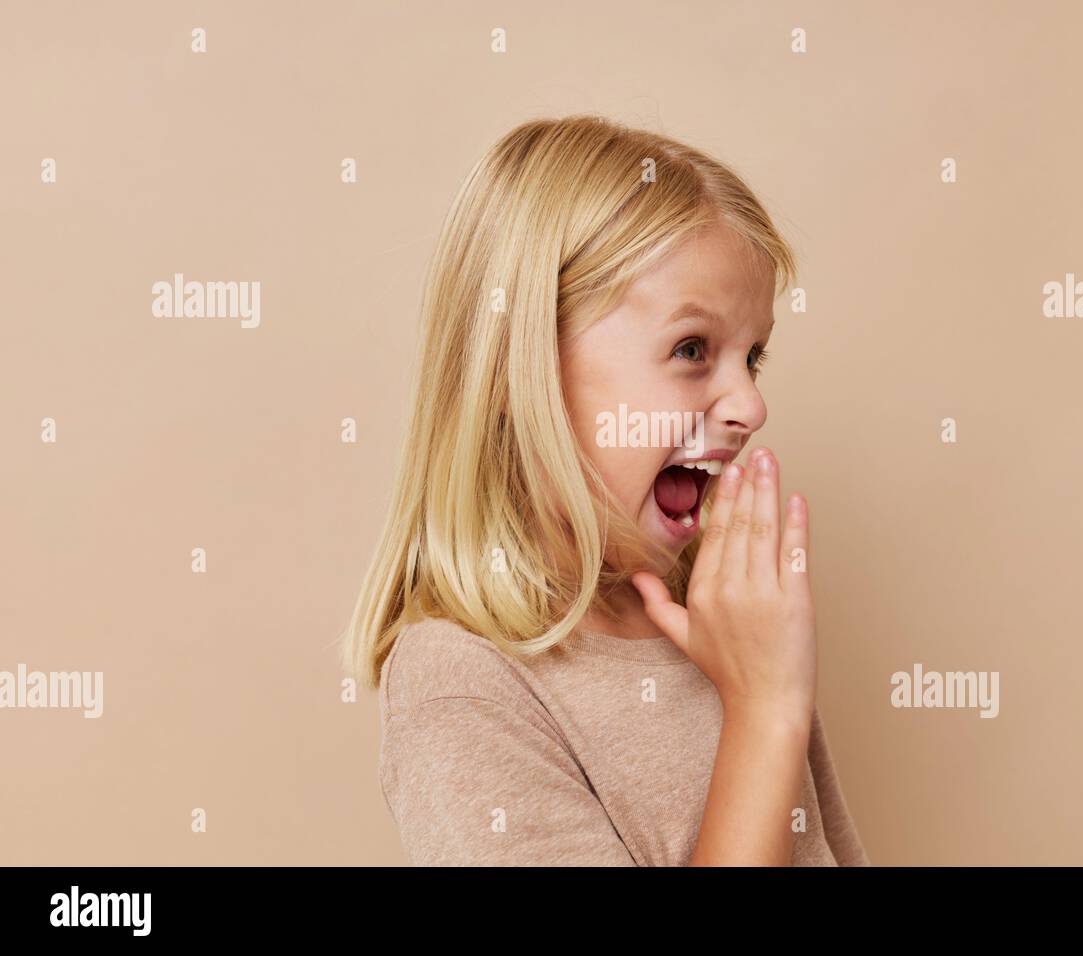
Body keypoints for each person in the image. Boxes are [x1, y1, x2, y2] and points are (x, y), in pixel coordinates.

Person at [341, 114, 868, 866]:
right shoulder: (462, 686)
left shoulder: (726, 624)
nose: (750, 407)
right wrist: (764, 711)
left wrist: (769, 695)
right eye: (692, 349)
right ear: (516, 373)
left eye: (753, 357)